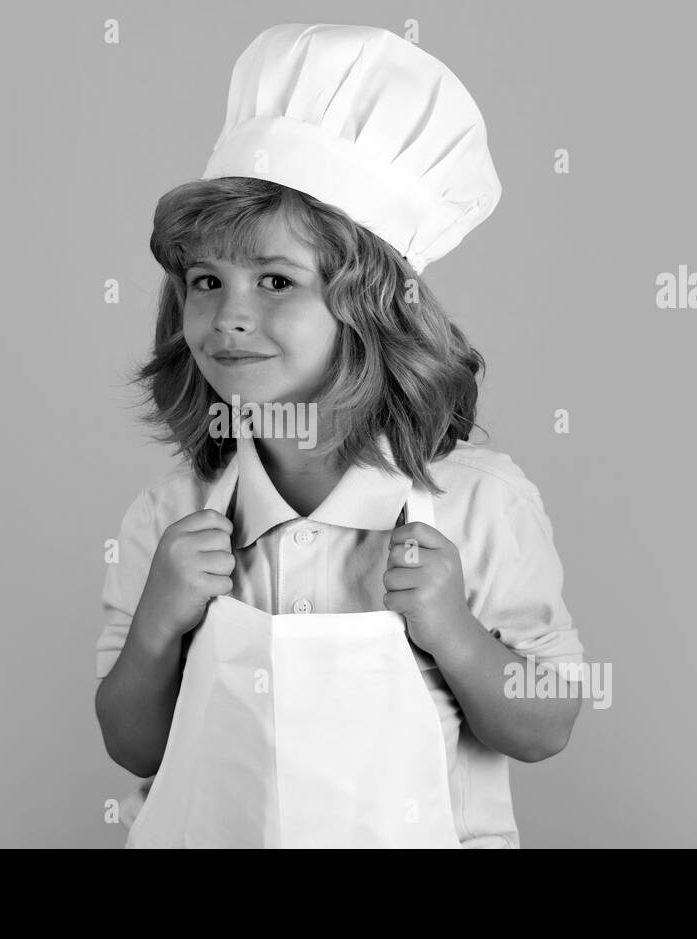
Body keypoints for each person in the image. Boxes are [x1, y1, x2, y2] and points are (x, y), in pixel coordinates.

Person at [94, 23, 585, 848]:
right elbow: (131, 743)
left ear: (370, 308)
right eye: (205, 280)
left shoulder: (477, 504)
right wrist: (156, 624)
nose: (229, 314)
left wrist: (455, 632)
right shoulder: (171, 514)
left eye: (276, 280)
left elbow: (546, 727)